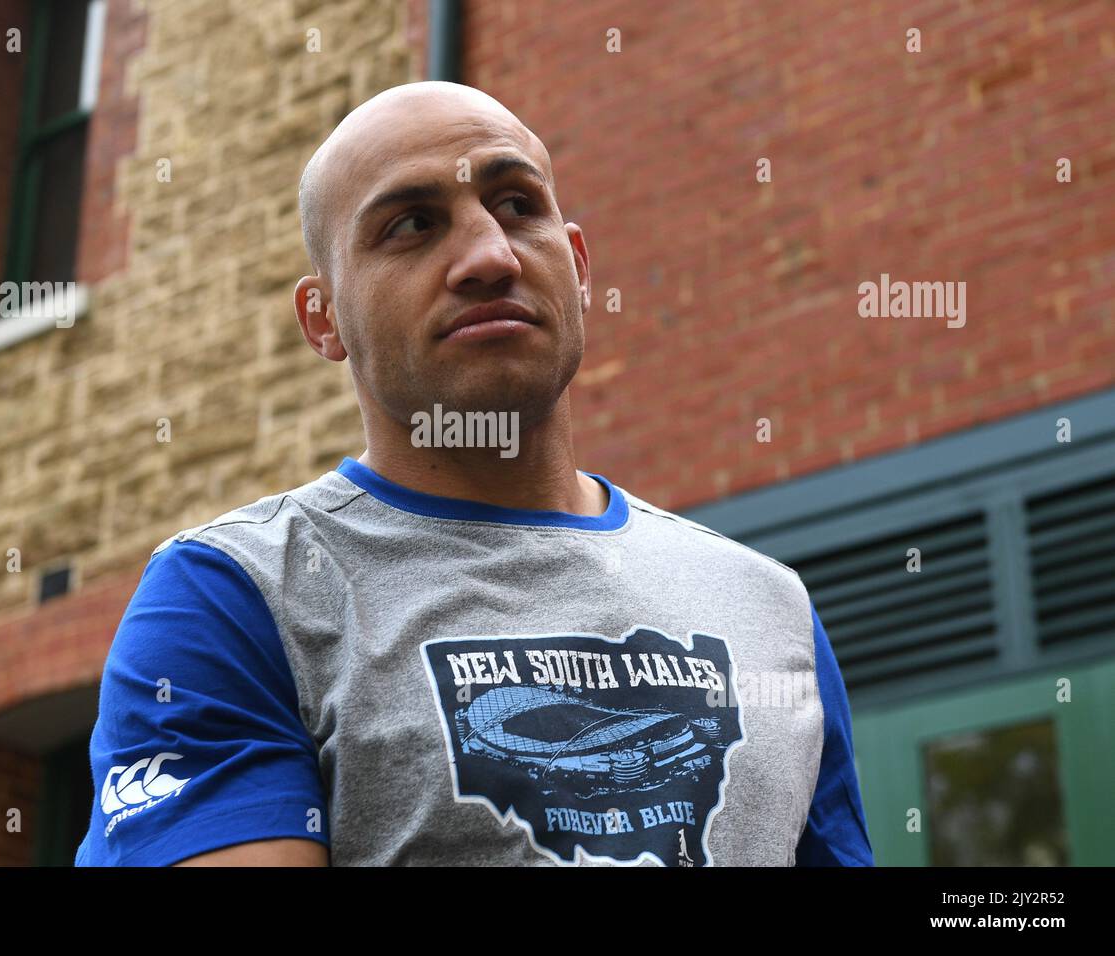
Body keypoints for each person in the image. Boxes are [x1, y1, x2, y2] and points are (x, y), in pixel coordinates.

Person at [74, 81, 873, 867]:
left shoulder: (771, 607)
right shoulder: (236, 597)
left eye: (520, 207)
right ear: (325, 320)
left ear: (581, 265)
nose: (490, 256)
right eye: (412, 225)